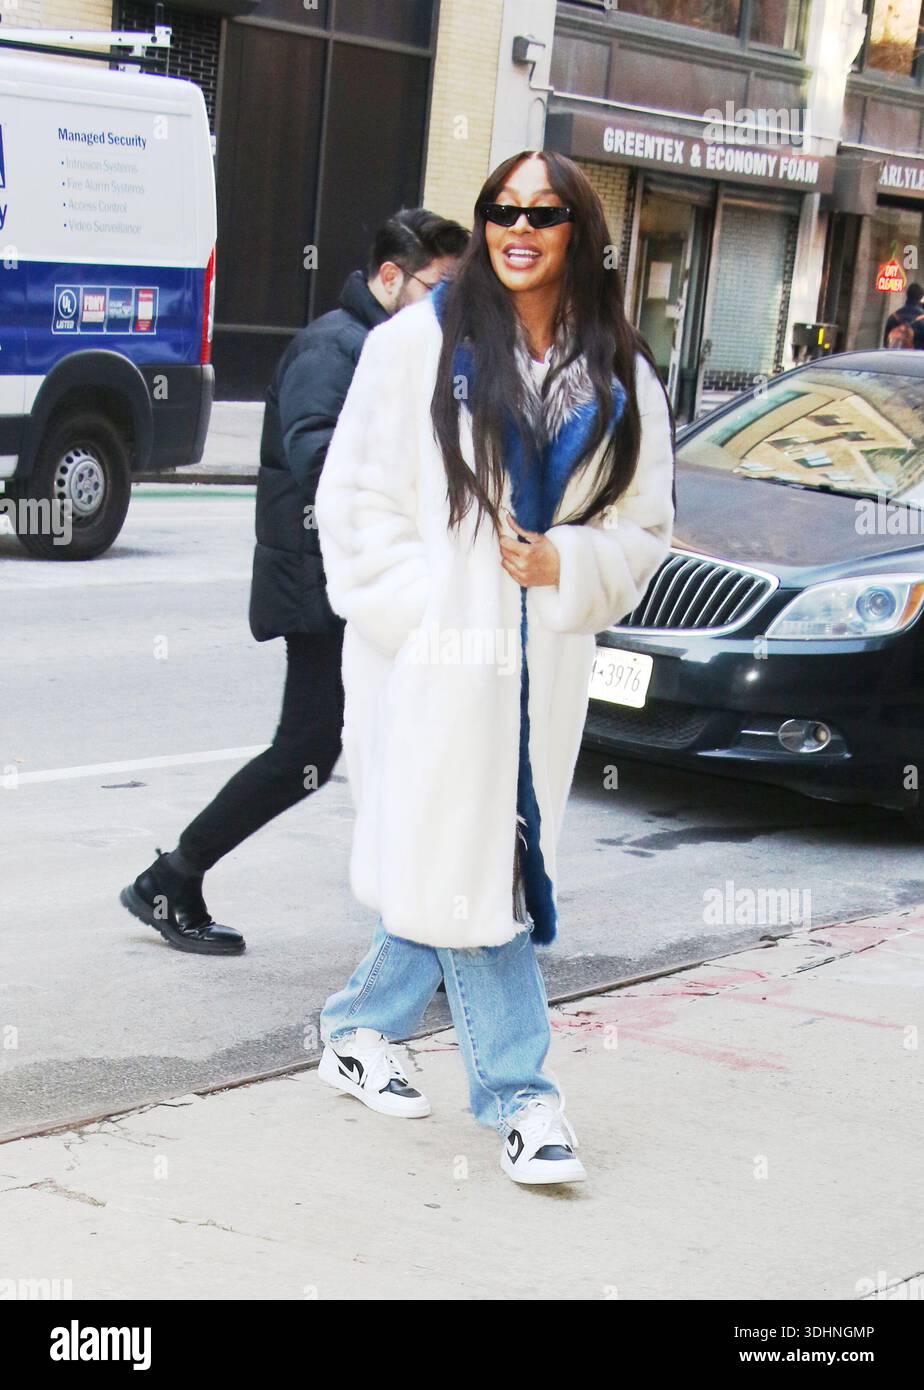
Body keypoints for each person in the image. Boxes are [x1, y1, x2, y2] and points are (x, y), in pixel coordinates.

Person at [313, 150, 675, 1186]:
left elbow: (643, 530)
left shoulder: (623, 376)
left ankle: (353, 1028)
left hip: (539, 669)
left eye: (544, 212)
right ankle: (523, 1096)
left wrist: (573, 564)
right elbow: (355, 504)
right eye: (501, 210)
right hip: (433, 667)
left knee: (462, 868)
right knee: (486, 881)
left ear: (580, 232)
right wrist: (421, 615)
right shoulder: (411, 350)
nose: (519, 228)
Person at [120, 210, 469, 955]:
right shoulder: (335, 348)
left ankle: (423, 928)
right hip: (326, 589)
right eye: (437, 286)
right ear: (389, 277)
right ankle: (171, 878)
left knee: (362, 751)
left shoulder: (386, 346)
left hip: (355, 583)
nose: (448, 304)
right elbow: (322, 465)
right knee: (307, 754)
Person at [884, 282, 924, 349]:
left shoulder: (893, 317)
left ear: (907, 295)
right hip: (916, 358)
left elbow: (886, 344)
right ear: (921, 297)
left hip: (895, 357)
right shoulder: (922, 319)